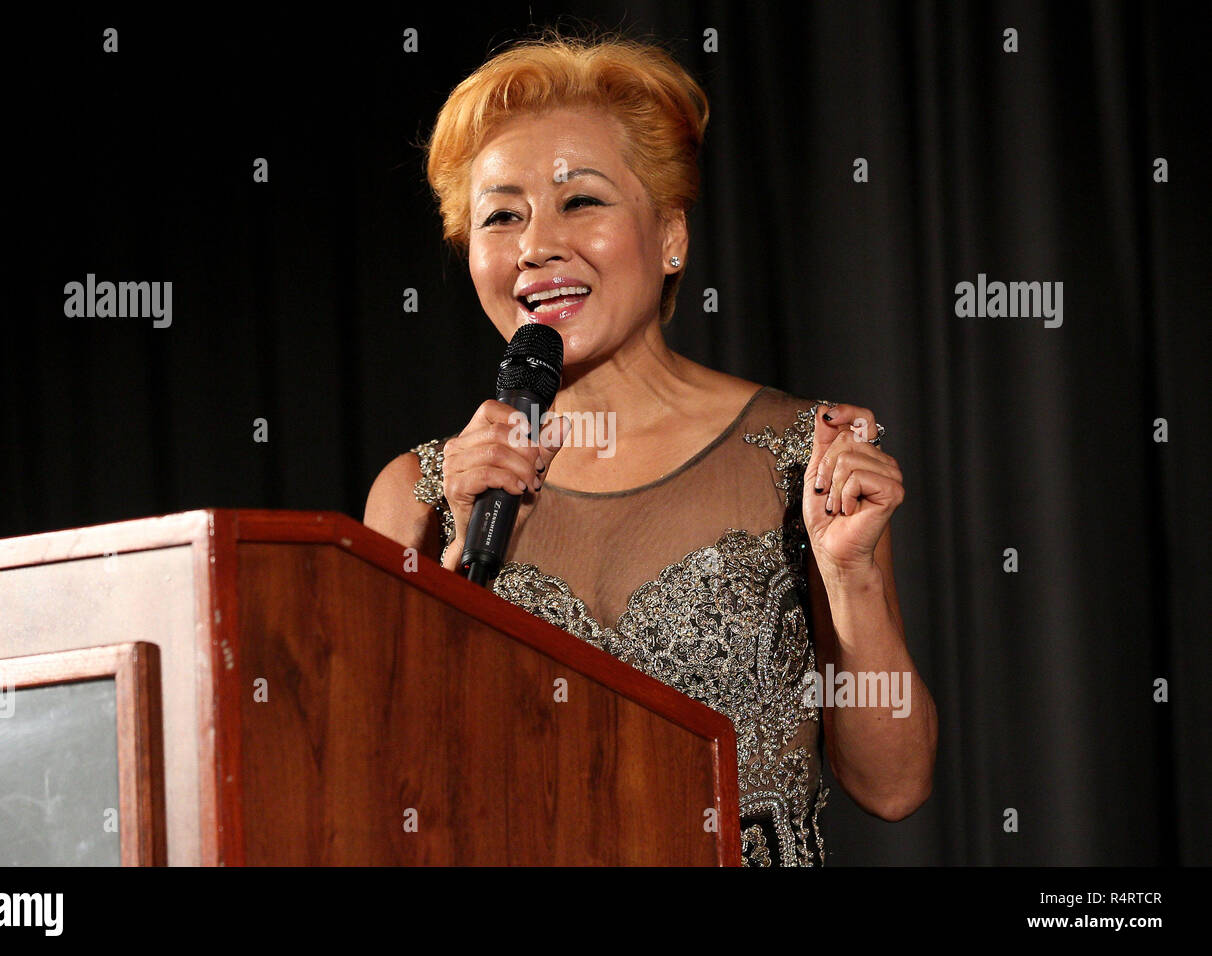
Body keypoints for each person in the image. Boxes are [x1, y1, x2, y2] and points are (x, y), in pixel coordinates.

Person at [364, 29, 937, 866]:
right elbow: (387, 794)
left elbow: (894, 787)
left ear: (671, 236)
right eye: (501, 215)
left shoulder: (800, 453)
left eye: (581, 201)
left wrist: (849, 581)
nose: (536, 245)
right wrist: (457, 560)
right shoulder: (416, 494)